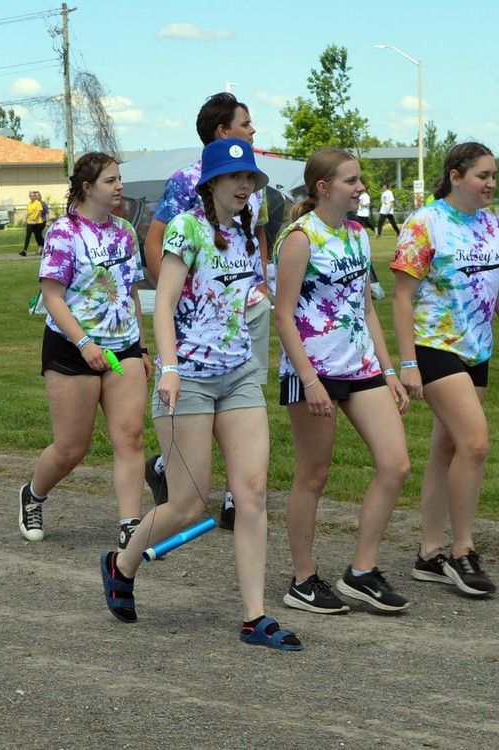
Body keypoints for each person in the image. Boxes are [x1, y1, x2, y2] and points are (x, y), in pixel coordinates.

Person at [100, 139, 301, 651]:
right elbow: (164, 304)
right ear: (210, 184)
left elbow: (240, 290)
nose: (244, 186)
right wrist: (168, 369)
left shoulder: (245, 230)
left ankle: (255, 618)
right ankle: (122, 565)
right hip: (188, 377)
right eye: (235, 178)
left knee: (252, 493)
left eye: (250, 178)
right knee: (188, 505)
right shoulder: (187, 228)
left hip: (238, 375)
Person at [273, 147, 412, 615]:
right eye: (352, 180)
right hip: (314, 372)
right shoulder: (300, 238)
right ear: (323, 187)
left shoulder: (357, 233)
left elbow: (365, 307)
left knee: (396, 465)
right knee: (313, 475)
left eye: (360, 180)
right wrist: (309, 380)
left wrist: (387, 370)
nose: (361, 188)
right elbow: (283, 315)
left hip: (361, 367)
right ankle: (303, 579)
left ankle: (361, 571)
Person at [142, 93, 271, 528]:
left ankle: (239, 494)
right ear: (223, 131)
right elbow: (158, 242)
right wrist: (183, 301)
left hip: (242, 313)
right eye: (246, 123)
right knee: (188, 500)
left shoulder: (251, 186)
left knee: (245, 397)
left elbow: (255, 235)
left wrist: (260, 284)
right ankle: (169, 469)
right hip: (194, 331)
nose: (253, 130)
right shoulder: (186, 182)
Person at [17, 152, 151, 551]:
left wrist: (142, 346)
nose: (119, 186)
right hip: (72, 350)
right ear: (88, 187)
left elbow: (129, 292)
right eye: (111, 180)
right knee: (71, 448)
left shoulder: (125, 230)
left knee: (131, 438)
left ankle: (130, 525)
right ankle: (33, 495)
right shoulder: (63, 232)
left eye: (119, 179)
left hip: (123, 347)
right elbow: (52, 297)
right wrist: (84, 343)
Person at [392, 141, 499, 597]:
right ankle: (462, 550)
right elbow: (400, 297)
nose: (491, 184)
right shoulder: (426, 223)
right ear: (456, 176)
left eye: (494, 176)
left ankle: (428, 553)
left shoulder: (491, 223)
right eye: (482, 175)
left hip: (477, 349)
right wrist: (408, 363)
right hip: (435, 345)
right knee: (474, 443)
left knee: (447, 449)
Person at [19, 191, 45, 256]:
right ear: (29, 196)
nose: (32, 197)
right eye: (30, 196)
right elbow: (28, 212)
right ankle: (24, 251)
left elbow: (39, 212)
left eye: (33, 196)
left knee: (39, 237)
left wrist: (34, 219)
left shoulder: (37, 203)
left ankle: (46, 248)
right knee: (27, 236)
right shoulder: (29, 204)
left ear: (35, 196)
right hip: (30, 222)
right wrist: (25, 219)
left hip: (38, 223)